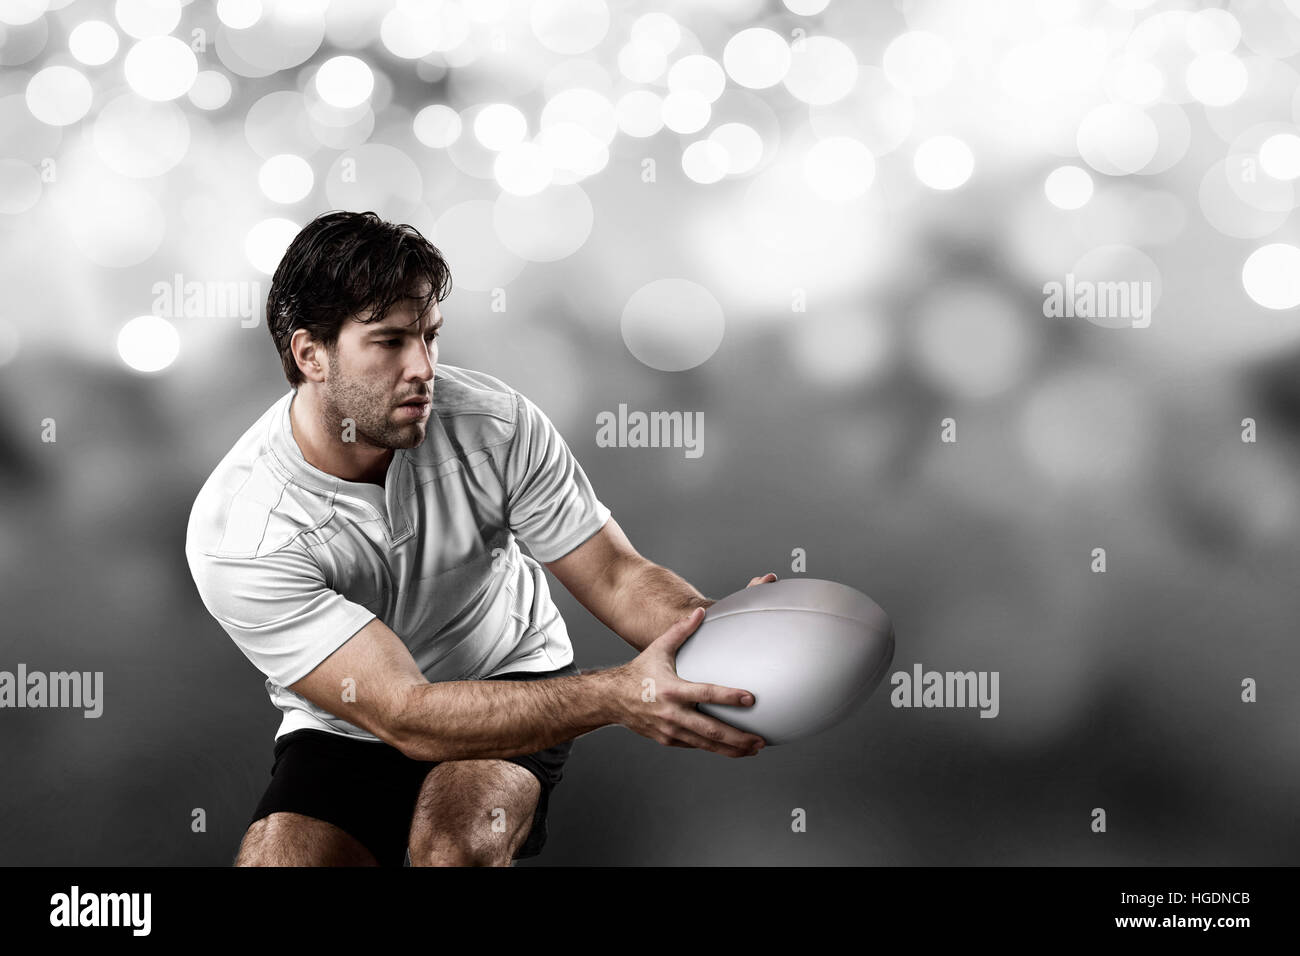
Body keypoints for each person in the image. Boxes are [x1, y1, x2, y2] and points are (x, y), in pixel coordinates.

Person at [185, 210, 771, 867]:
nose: (423, 368)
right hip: (354, 719)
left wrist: (724, 637)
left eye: (430, 337)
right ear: (309, 354)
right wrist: (617, 696)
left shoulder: (494, 425)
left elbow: (614, 575)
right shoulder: (243, 531)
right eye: (390, 342)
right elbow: (404, 712)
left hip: (510, 677)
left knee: (450, 853)